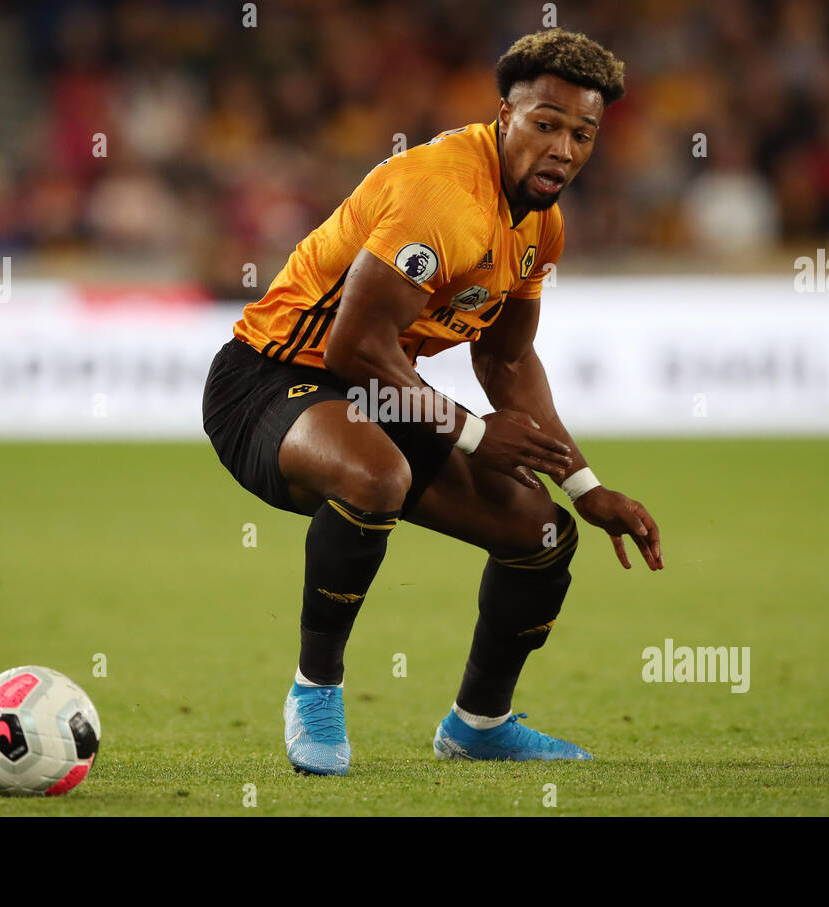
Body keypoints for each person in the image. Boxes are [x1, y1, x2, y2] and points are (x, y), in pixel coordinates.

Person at [202, 29, 663, 776]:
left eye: (583, 133)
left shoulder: (541, 225)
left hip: (377, 395)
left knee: (540, 533)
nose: (564, 149)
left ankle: (480, 723)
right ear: (503, 115)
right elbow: (353, 348)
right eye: (545, 123)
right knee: (375, 474)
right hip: (266, 380)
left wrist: (584, 486)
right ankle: (314, 691)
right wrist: (477, 437)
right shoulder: (442, 195)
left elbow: (506, 358)